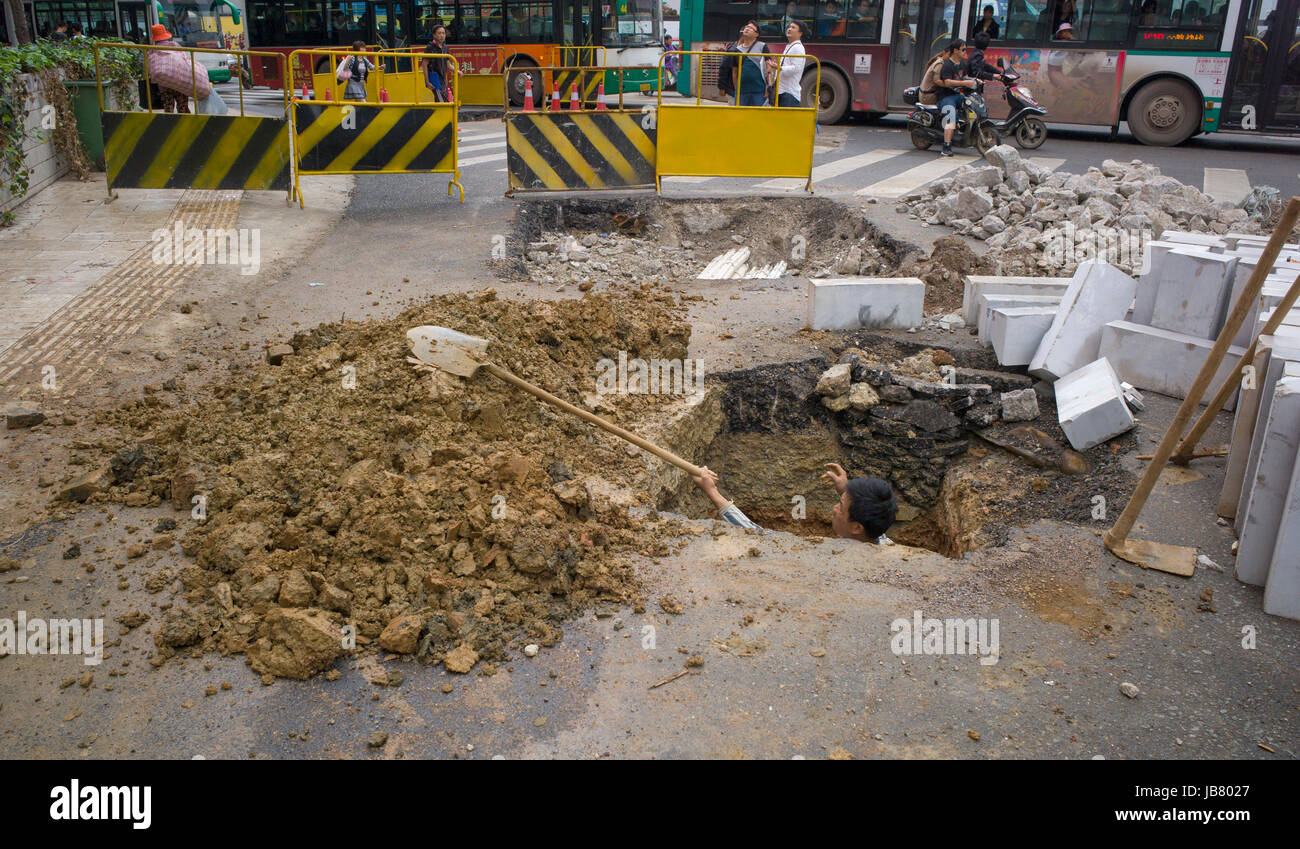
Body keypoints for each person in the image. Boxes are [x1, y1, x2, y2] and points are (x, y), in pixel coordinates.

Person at [692, 463, 897, 544]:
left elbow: (763, 539)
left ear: (857, 527)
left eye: (841, 507)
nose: (835, 509)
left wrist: (713, 493)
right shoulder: (880, 537)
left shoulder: (831, 556)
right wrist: (847, 491)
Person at [147, 24, 213, 114]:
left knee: (168, 106)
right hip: (179, 82)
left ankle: (170, 124)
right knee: (182, 105)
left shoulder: (152, 50)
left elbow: (150, 65)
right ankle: (185, 122)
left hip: (164, 84)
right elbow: (185, 59)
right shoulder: (174, 45)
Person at [933, 38, 977, 156]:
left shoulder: (963, 63)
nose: (965, 52)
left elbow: (965, 77)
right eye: (963, 49)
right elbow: (947, 82)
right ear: (956, 51)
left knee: (974, 104)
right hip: (946, 97)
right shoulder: (947, 65)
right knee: (951, 115)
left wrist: (975, 80)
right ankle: (946, 146)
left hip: (958, 95)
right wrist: (964, 83)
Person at [732, 21, 770, 106]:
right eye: (746, 27)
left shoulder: (763, 47)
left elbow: (769, 68)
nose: (747, 29)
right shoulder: (737, 50)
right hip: (742, 92)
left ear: (757, 34)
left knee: (757, 117)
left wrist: (768, 87)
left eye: (751, 28)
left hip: (759, 91)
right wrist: (736, 90)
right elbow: (735, 72)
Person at [770, 19, 807, 107]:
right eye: (789, 27)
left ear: (800, 33)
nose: (789, 29)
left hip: (789, 93)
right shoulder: (790, 46)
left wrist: (779, 67)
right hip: (782, 91)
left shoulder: (798, 48)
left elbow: (795, 68)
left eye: (793, 27)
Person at [421, 24, 452, 102]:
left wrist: (457, 71)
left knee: (443, 99)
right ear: (434, 35)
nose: (442, 35)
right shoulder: (430, 48)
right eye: (439, 33)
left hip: (443, 78)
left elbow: (448, 64)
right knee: (441, 100)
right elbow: (424, 65)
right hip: (435, 78)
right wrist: (427, 81)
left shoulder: (445, 47)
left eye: (443, 33)